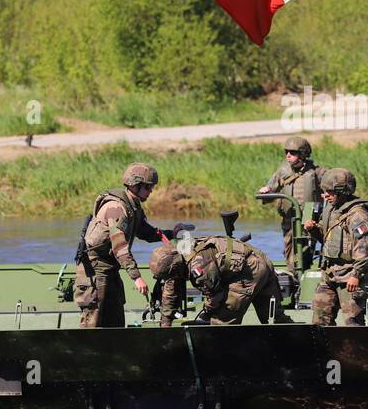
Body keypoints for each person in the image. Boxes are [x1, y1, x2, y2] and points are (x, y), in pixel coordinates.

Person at [74, 162, 168, 329]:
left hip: (110, 269)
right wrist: (136, 277)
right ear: (135, 185)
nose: (151, 191)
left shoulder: (133, 207)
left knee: (115, 322)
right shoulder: (116, 208)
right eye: (148, 187)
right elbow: (119, 245)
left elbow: (146, 232)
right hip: (95, 270)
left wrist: (171, 233)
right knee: (92, 323)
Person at [149, 237, 290, 325]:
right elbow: (170, 291)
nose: (170, 280)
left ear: (175, 268)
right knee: (275, 317)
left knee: (222, 321)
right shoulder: (179, 252)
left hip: (249, 272)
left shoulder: (198, 267)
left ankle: (222, 361)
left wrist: (206, 314)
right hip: (257, 260)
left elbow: (216, 296)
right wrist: (165, 322)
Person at [302, 168, 368, 326]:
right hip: (329, 275)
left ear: (343, 192)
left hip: (348, 276)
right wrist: (314, 229)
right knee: (319, 321)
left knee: (352, 321)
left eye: (330, 192)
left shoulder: (357, 215)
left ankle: (356, 350)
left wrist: (356, 274)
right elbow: (327, 236)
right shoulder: (331, 208)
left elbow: (364, 247)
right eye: (324, 191)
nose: (325, 195)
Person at [256, 136, 323, 273]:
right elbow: (272, 185)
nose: (288, 155)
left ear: (303, 154)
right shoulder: (283, 171)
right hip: (290, 220)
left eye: (292, 153)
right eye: (286, 152)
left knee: (307, 250)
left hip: (309, 220)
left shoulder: (315, 172)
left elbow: (330, 183)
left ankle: (304, 273)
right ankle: (293, 276)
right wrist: (267, 190)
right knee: (290, 249)